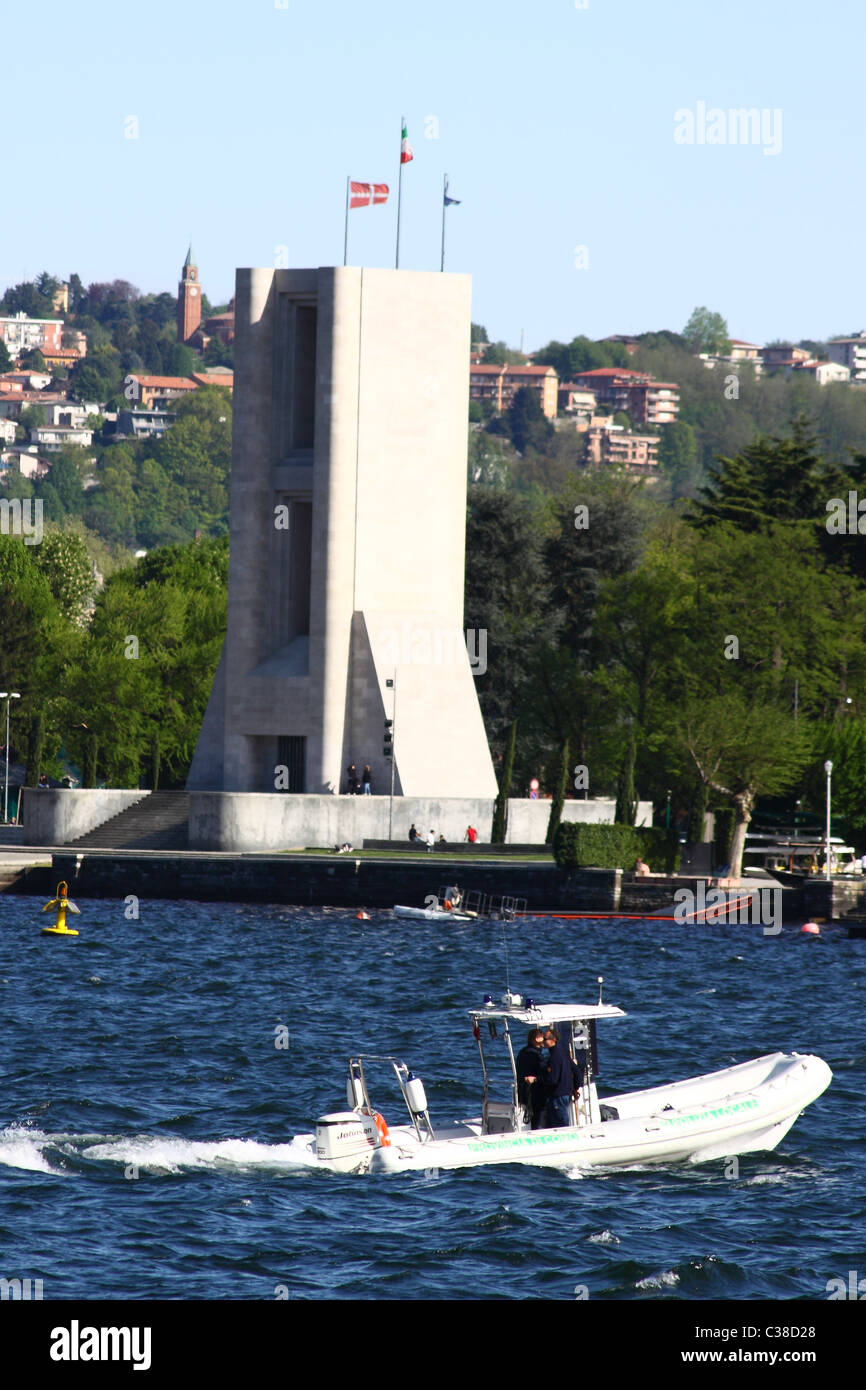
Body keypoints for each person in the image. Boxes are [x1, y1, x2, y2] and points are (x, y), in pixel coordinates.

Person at [539, 1027, 585, 1129]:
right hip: (566, 1094)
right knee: (557, 1122)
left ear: (552, 1040)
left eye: (545, 1039)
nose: (543, 1041)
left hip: (558, 1095)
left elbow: (553, 1079)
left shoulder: (554, 1057)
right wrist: (575, 1087)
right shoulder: (563, 1053)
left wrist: (539, 1079)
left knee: (561, 1124)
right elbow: (577, 1071)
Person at [516, 1028, 547, 1129]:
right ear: (536, 1039)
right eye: (542, 1037)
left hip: (524, 1090)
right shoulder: (534, 1054)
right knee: (539, 1118)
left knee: (534, 1117)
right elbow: (543, 1071)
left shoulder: (523, 1052)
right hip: (534, 1091)